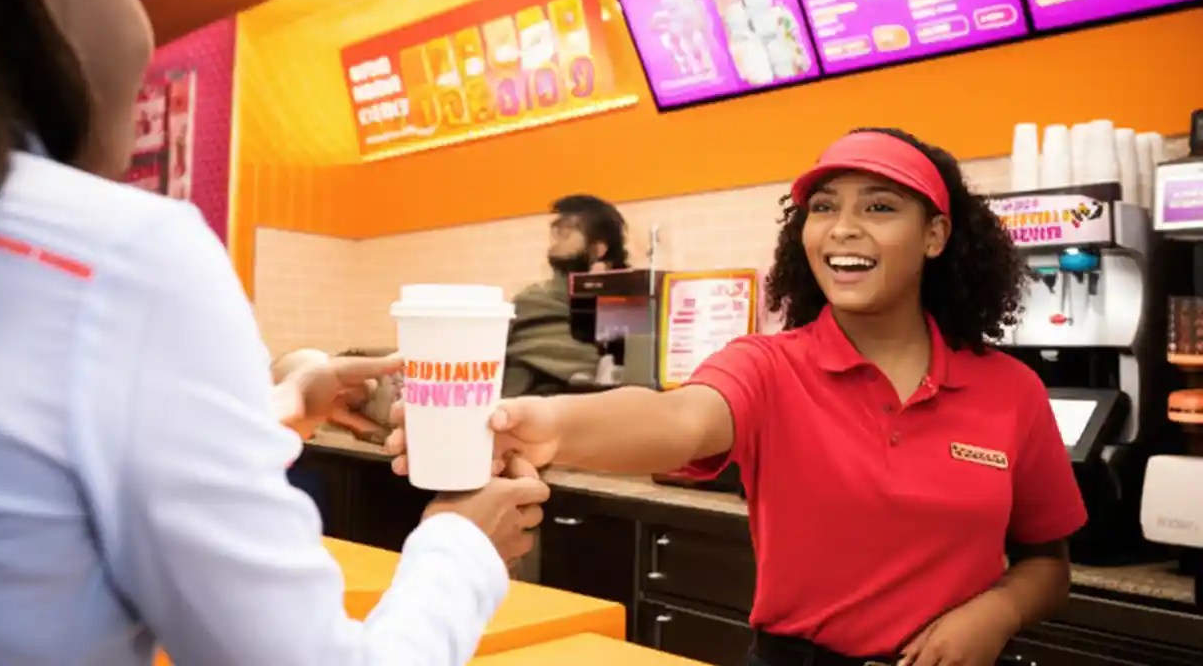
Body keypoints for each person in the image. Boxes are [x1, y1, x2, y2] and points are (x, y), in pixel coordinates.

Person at [0, 0, 547, 665]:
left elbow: (26, 481)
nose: (148, 31)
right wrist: (463, 543)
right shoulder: (125, 256)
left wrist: (281, 406)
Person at [392, 129, 1087, 666]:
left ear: (935, 235)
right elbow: (678, 418)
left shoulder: (1010, 391)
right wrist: (540, 423)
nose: (843, 227)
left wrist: (994, 614)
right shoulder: (768, 367)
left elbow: (1046, 564)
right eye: (823, 207)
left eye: (879, 207)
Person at [503, 194, 630, 397]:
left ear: (598, 249)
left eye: (566, 230)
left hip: (580, 397)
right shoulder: (531, 299)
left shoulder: (627, 300)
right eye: (555, 230)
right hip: (519, 395)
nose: (556, 238)